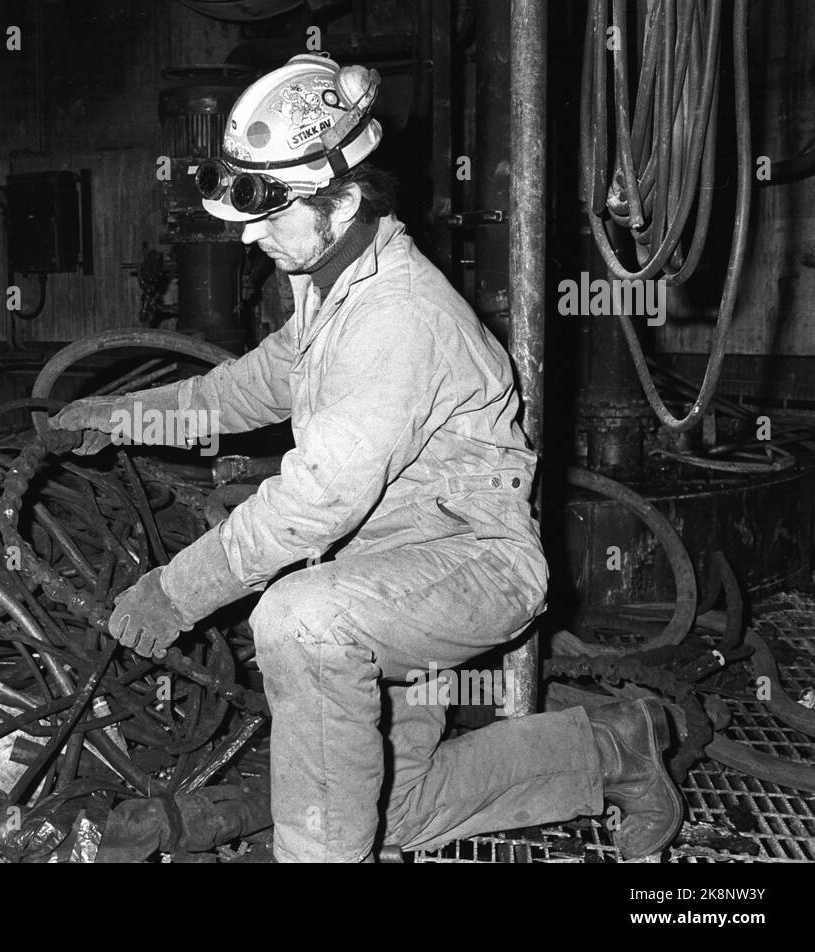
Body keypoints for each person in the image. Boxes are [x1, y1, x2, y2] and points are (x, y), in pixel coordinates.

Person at [48, 53, 683, 863]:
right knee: (394, 813)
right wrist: (123, 417)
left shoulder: (395, 315)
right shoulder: (330, 282)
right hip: (387, 569)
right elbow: (246, 391)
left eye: (273, 212)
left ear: (343, 198)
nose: (250, 234)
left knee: (301, 621)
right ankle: (613, 748)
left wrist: (178, 592)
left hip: (469, 565)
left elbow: (316, 501)